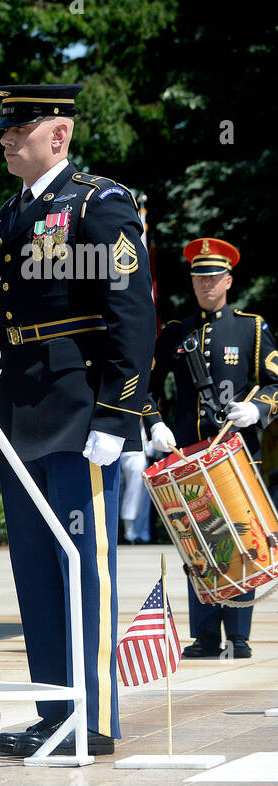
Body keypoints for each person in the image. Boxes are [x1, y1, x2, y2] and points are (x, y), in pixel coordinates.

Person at [0, 83, 155, 759]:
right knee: (33, 570)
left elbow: (132, 310)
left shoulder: (97, 201)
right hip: (22, 410)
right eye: (5, 127)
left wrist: (119, 411)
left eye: (18, 127)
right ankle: (56, 711)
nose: (5, 138)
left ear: (57, 134)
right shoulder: (9, 213)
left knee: (84, 568)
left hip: (80, 410)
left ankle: (94, 715)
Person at [144, 237, 274, 660]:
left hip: (236, 452)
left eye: (214, 277)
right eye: (200, 278)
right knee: (196, 539)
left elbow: (276, 382)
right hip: (186, 453)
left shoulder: (252, 328)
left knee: (240, 539)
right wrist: (155, 423)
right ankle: (204, 635)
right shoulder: (177, 332)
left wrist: (256, 409)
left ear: (229, 280)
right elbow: (146, 387)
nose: (206, 285)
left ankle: (238, 635)